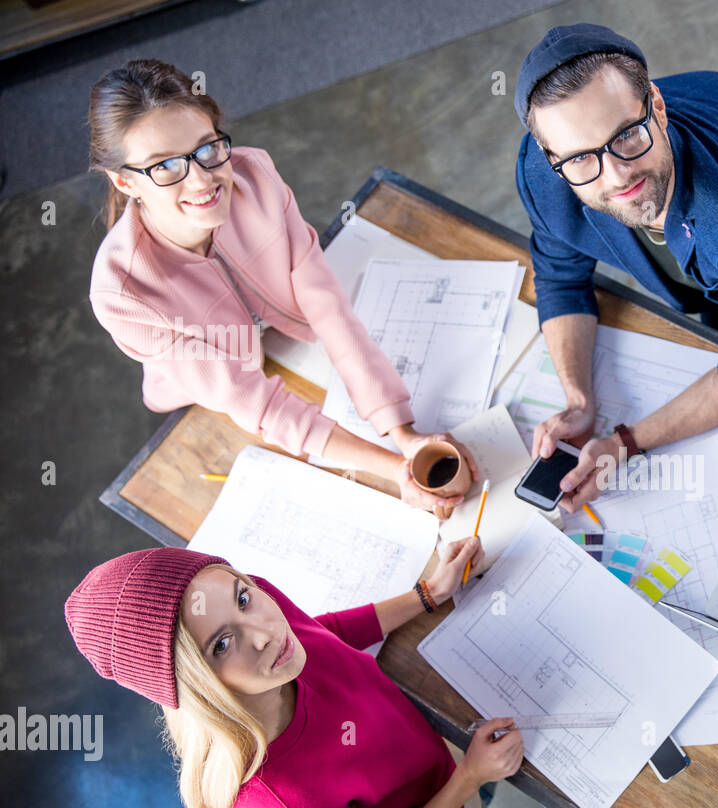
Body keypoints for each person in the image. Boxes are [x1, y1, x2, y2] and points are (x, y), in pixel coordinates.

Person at [63, 543, 610, 808]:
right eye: (222, 643)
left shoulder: (269, 625)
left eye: (243, 597)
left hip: (439, 770)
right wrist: (467, 779)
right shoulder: (285, 803)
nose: (265, 630)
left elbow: (322, 632)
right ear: (196, 688)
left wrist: (426, 594)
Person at [87, 59, 474, 518]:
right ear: (124, 180)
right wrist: (395, 469)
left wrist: (402, 429)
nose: (201, 180)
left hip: (289, 330)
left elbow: (327, 307)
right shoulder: (121, 294)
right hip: (209, 386)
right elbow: (258, 404)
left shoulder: (256, 176)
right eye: (165, 166)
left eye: (207, 148)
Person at [513, 23, 718, 511]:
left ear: (657, 105)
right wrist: (579, 401)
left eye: (627, 135)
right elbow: (560, 276)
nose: (617, 176)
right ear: (550, 158)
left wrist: (626, 442)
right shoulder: (544, 176)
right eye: (579, 159)